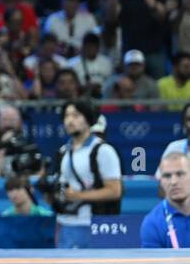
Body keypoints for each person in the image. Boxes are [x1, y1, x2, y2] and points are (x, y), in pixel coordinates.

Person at [52, 100, 123, 248]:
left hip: (92, 225)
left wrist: (78, 196)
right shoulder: (63, 151)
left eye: (76, 115)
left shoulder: (103, 151)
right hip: (64, 224)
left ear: (88, 119)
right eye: (67, 116)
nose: (70, 120)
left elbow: (115, 191)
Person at [140, 152, 190, 248]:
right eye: (167, 176)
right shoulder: (152, 223)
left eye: (180, 174)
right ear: (160, 182)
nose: (173, 182)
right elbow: (153, 263)